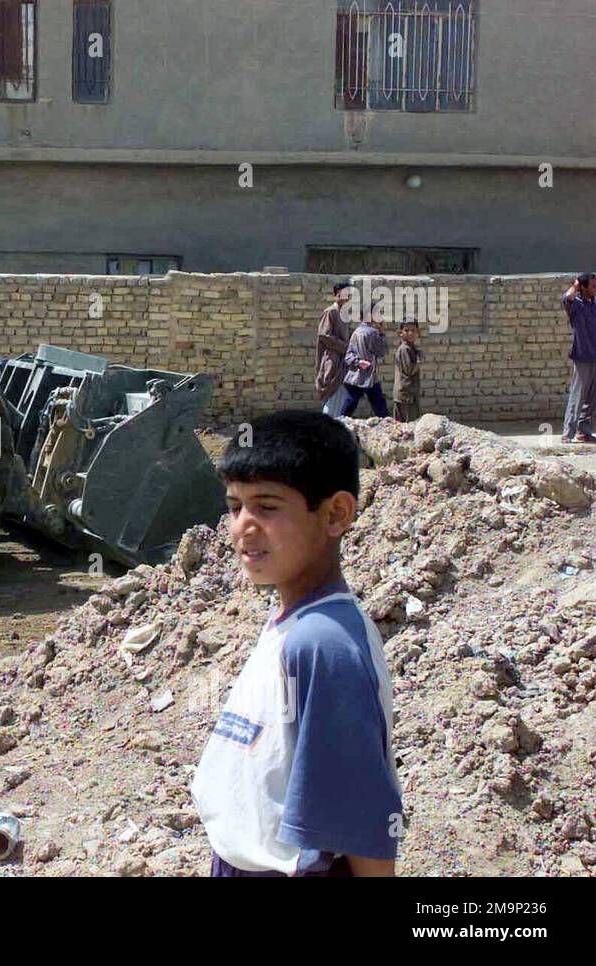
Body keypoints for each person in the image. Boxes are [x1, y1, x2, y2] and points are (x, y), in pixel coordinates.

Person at [191, 412, 403, 877]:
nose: (242, 527)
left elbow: (363, 830)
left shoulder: (322, 645)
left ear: (335, 514)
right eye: (234, 506)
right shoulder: (292, 621)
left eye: (267, 507)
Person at [561, 273, 596, 444]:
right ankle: (568, 433)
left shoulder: (595, 305)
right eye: (593, 286)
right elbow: (567, 297)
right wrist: (575, 285)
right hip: (582, 356)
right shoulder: (576, 306)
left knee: (592, 398)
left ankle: (584, 431)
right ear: (583, 287)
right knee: (578, 396)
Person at [340, 303, 389, 418]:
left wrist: (357, 362)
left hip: (355, 376)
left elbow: (348, 355)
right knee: (379, 405)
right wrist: (382, 332)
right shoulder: (372, 332)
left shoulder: (356, 332)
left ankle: (340, 422)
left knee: (350, 403)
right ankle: (387, 423)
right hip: (368, 376)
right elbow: (382, 352)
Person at [316, 282, 353, 418]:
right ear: (336, 295)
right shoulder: (330, 312)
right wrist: (345, 348)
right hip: (333, 359)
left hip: (343, 361)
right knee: (331, 392)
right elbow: (325, 336)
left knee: (341, 395)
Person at [392, 319, 422, 424]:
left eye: (413, 330)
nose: (410, 333)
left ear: (417, 332)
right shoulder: (405, 349)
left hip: (407, 394)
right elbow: (409, 371)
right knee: (408, 426)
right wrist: (418, 360)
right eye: (406, 330)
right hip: (406, 395)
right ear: (400, 333)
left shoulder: (411, 348)